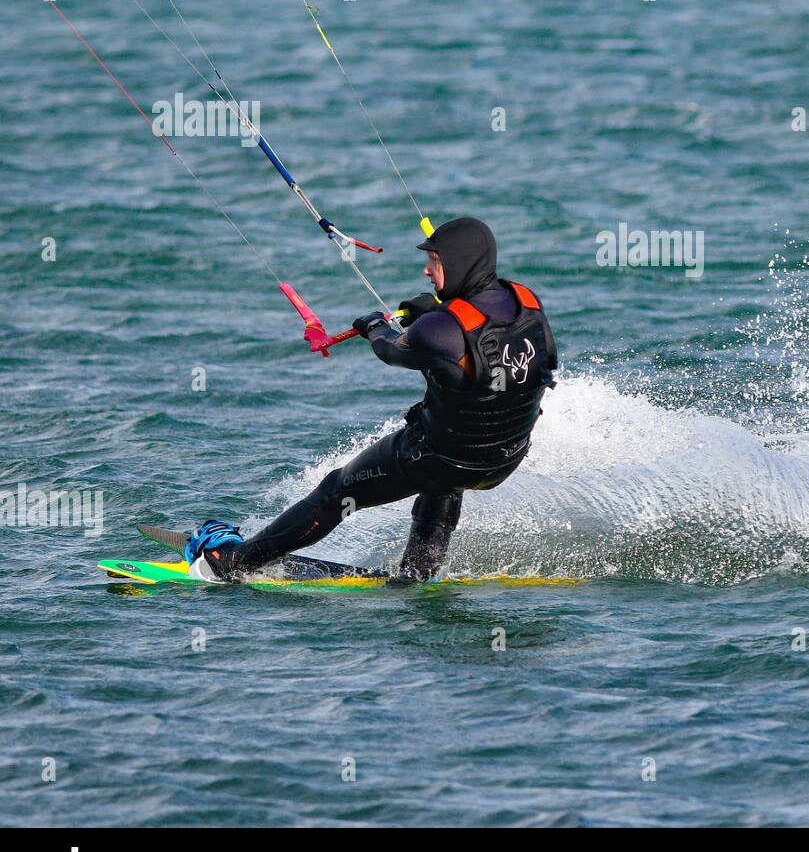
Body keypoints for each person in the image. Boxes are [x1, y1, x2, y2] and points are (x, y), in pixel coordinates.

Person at [183, 217, 557, 581]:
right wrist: (437, 313)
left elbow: (392, 350)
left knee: (337, 491)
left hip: (441, 456)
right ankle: (418, 575)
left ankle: (233, 563)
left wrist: (373, 326)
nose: (427, 271)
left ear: (460, 262)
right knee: (444, 481)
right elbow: (475, 343)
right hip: (501, 460)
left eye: (435, 261)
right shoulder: (526, 302)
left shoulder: (439, 330)